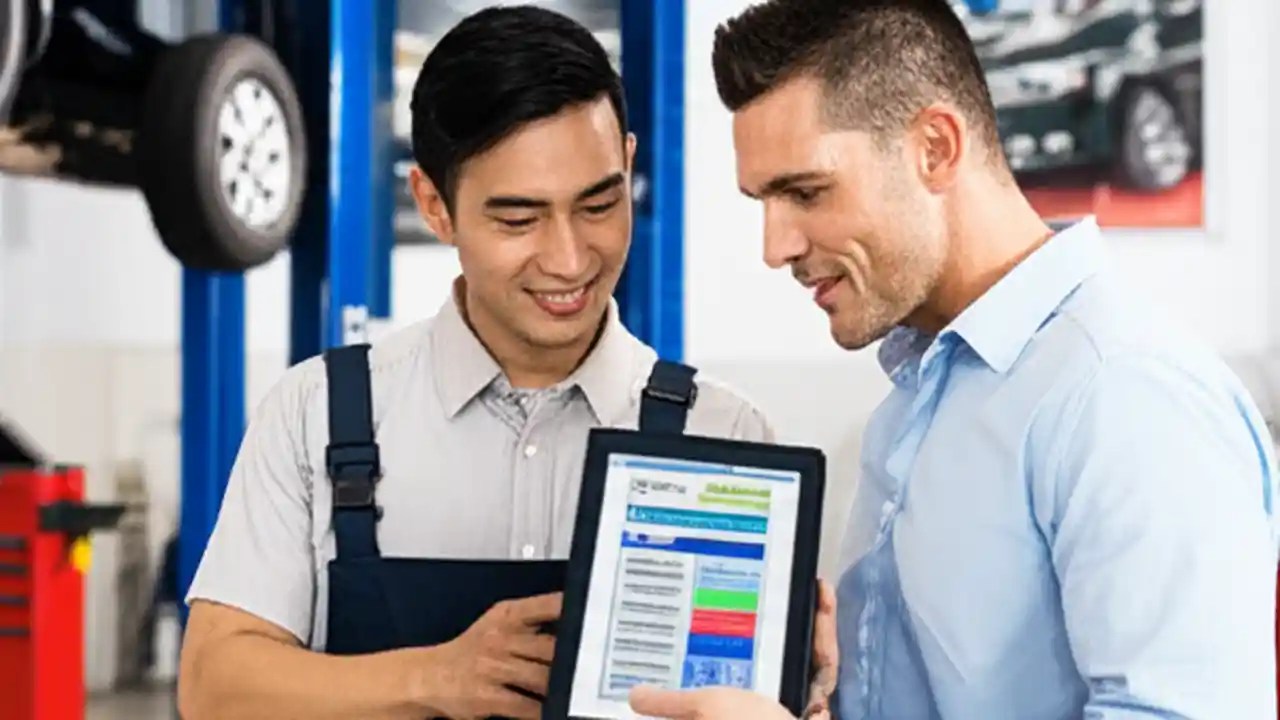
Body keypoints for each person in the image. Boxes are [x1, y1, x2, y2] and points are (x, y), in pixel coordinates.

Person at [175, 6, 838, 720]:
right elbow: (215, 685)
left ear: (629, 165)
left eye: (598, 204)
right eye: (518, 219)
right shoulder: (316, 416)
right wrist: (434, 677)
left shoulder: (727, 437)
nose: (569, 258)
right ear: (435, 204)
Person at [631, 0, 1279, 718]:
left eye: (806, 192)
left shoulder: (1124, 395)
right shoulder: (916, 391)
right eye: (763, 201)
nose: (775, 245)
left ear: (935, 148)